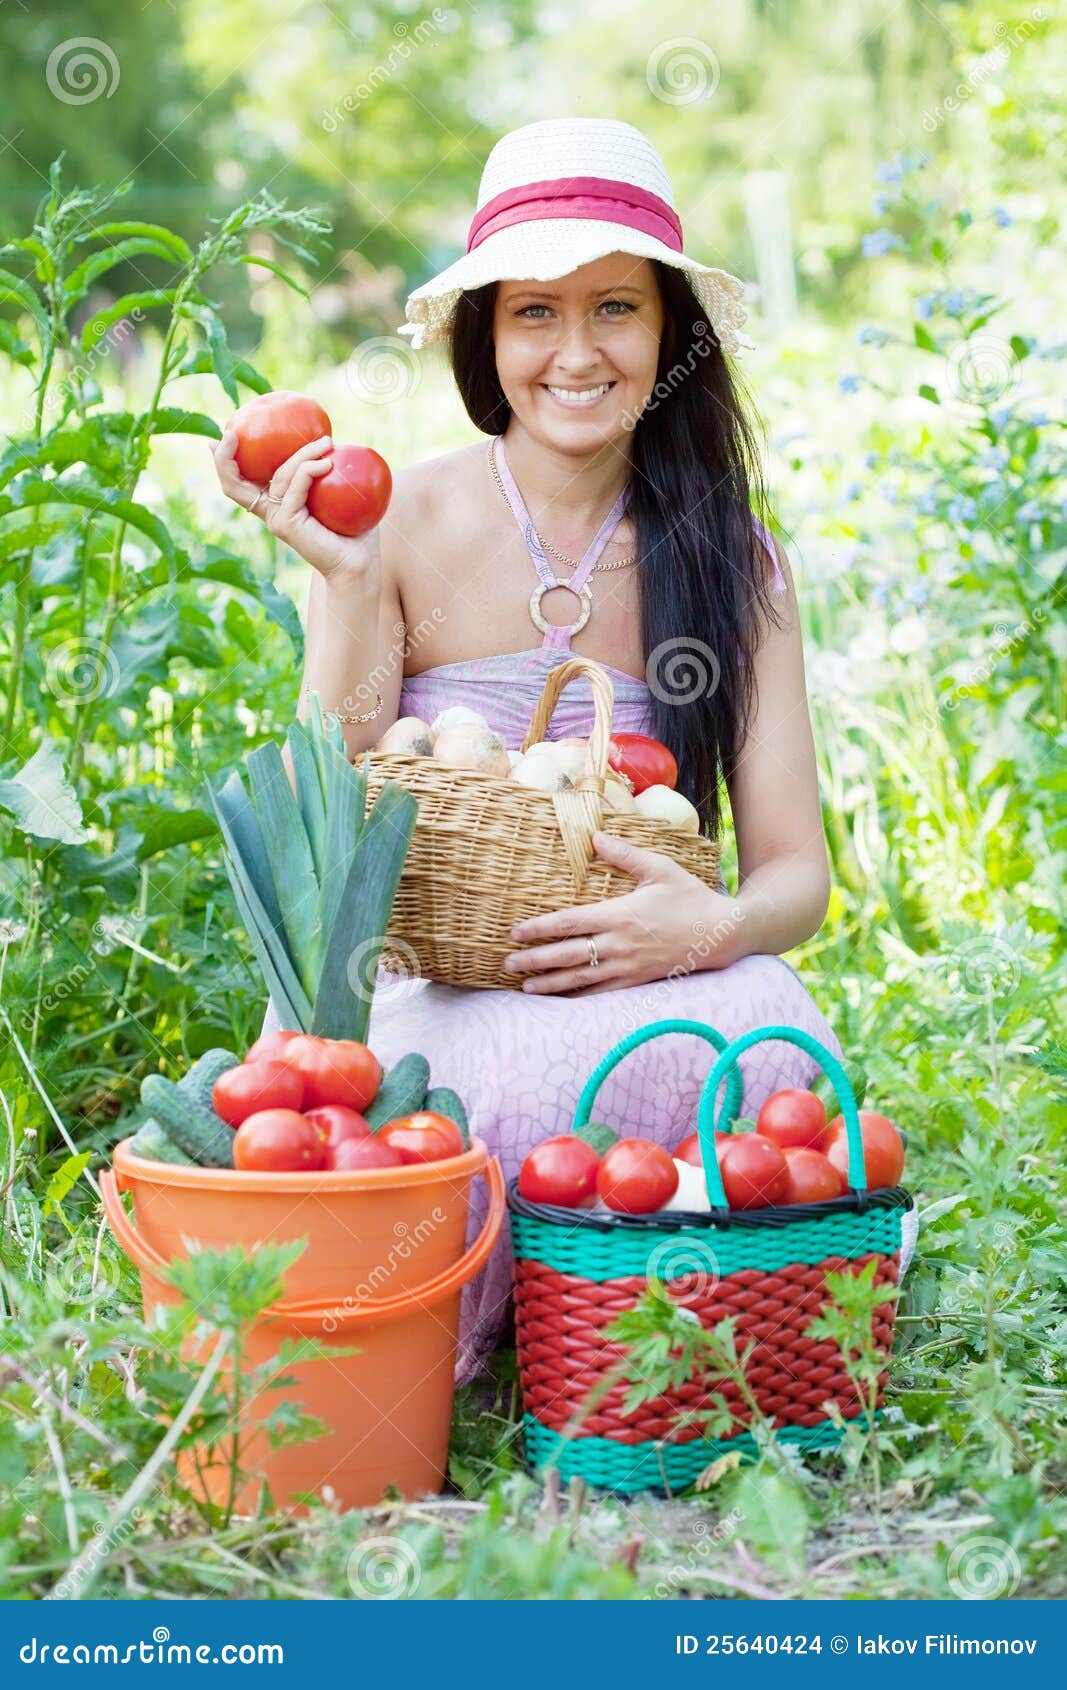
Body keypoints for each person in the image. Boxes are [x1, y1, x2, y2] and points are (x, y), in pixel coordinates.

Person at [211, 118, 853, 1386]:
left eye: (614, 307)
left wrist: (705, 930)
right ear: (483, 339)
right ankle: (493, 1328)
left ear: (670, 333)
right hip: (428, 983)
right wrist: (343, 587)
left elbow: (796, 877)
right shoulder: (397, 517)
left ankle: (655, 1334)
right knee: (469, 1083)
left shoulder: (732, 559)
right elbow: (323, 824)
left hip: (645, 979)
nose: (574, 352)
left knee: (781, 1038)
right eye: (532, 313)